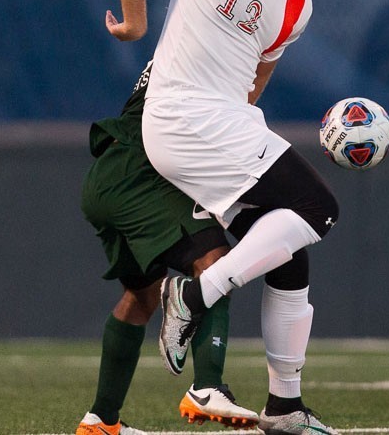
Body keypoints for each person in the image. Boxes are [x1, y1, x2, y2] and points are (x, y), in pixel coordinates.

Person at [104, 0, 360, 434]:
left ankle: (285, 407)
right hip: (180, 116)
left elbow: (253, 82)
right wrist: (135, 22)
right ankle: (193, 294)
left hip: (225, 124)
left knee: (289, 250)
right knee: (319, 206)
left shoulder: (299, 6)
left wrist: (244, 147)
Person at [75, 62, 258, 435]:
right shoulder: (208, 38)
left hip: (110, 173)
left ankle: (101, 421)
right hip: (140, 171)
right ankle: (207, 386)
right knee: (214, 262)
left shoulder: (186, 38)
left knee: (141, 295)